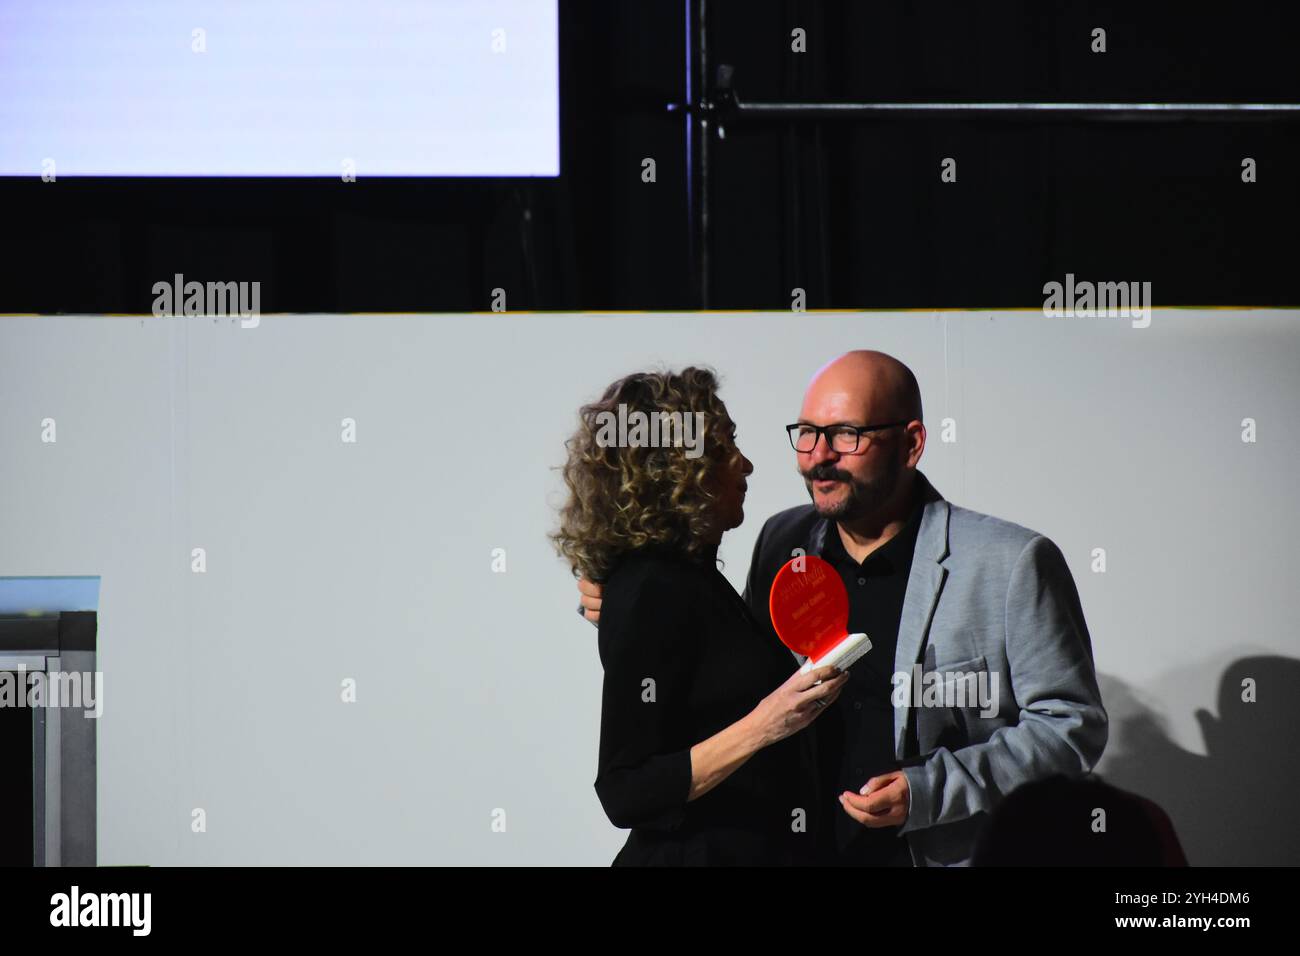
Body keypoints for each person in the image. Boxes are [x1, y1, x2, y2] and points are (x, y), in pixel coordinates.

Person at [578, 350, 1108, 866]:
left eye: (846, 435)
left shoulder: (1011, 562)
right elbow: (712, 664)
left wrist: (930, 791)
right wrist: (616, 593)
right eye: (807, 432)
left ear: (912, 443)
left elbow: (1069, 726)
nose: (819, 455)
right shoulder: (781, 540)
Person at [552, 366, 846, 865]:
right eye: (727, 444)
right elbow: (625, 790)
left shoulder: (691, 578)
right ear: (675, 465)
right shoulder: (650, 587)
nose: (747, 465)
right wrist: (768, 722)